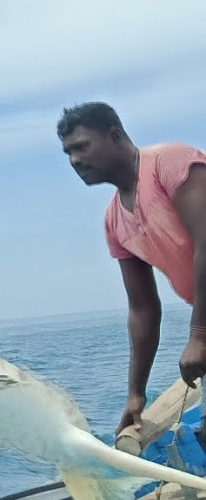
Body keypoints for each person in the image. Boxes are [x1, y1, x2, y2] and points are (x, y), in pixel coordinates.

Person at [57, 101, 206, 437]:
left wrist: (199, 336)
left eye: (81, 147)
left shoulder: (170, 162)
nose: (75, 161)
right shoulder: (114, 221)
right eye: (67, 153)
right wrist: (135, 393)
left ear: (114, 135)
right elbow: (142, 308)